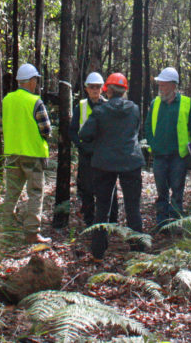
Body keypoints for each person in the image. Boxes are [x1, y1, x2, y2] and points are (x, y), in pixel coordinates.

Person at [77, 72, 145, 259]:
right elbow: (136, 130)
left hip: (104, 164)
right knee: (133, 208)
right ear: (124, 91)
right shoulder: (134, 109)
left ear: (107, 91)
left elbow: (84, 134)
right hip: (131, 162)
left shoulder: (100, 112)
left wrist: (99, 143)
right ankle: (138, 252)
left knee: (102, 209)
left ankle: (98, 252)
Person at [1, 63, 52, 244]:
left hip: (12, 153)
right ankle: (32, 232)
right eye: (35, 80)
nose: (36, 84)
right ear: (30, 81)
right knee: (35, 193)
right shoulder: (35, 102)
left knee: (11, 192)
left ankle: (6, 229)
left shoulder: (7, 100)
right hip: (32, 154)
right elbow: (46, 130)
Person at [145, 67, 191, 230]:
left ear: (173, 85)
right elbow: (148, 126)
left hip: (179, 156)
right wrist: (152, 144)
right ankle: (162, 224)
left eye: (163, 85)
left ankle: (176, 223)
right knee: (161, 192)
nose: (160, 88)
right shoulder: (155, 103)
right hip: (159, 155)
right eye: (160, 85)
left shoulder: (185, 103)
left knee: (177, 191)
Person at [70, 71, 117, 226]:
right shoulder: (80, 107)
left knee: (109, 189)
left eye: (97, 87)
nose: (95, 90)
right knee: (87, 189)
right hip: (86, 156)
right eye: (92, 87)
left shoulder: (108, 106)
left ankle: (111, 221)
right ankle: (89, 221)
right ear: (87, 88)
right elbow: (72, 130)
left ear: (102, 88)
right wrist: (81, 146)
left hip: (104, 156)